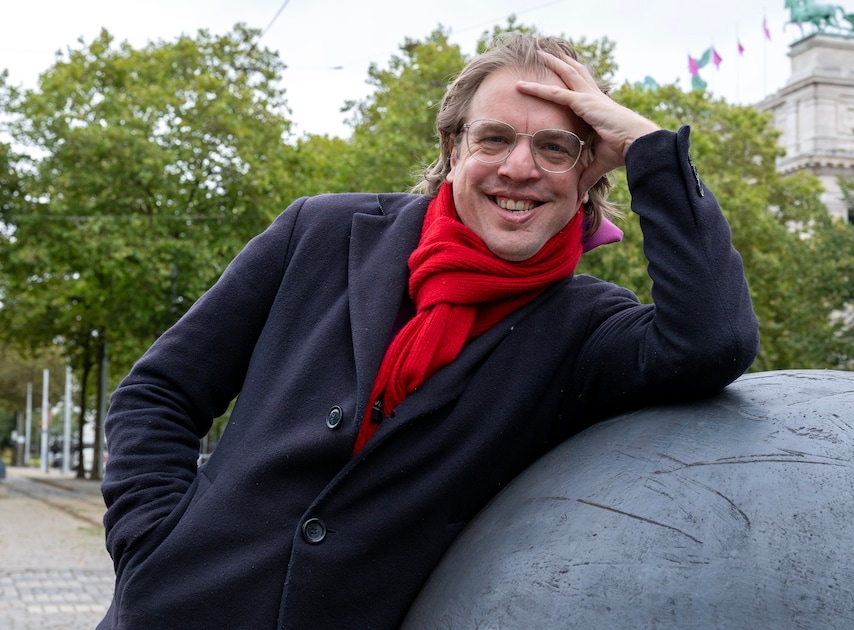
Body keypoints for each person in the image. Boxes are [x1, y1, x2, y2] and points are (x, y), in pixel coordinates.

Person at [98, 32, 758, 628]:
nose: (519, 168)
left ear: (588, 175)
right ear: (453, 147)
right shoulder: (320, 231)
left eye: (555, 148)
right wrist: (149, 544)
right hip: (175, 608)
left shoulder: (586, 328)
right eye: (493, 139)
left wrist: (648, 150)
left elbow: (712, 339)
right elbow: (159, 393)